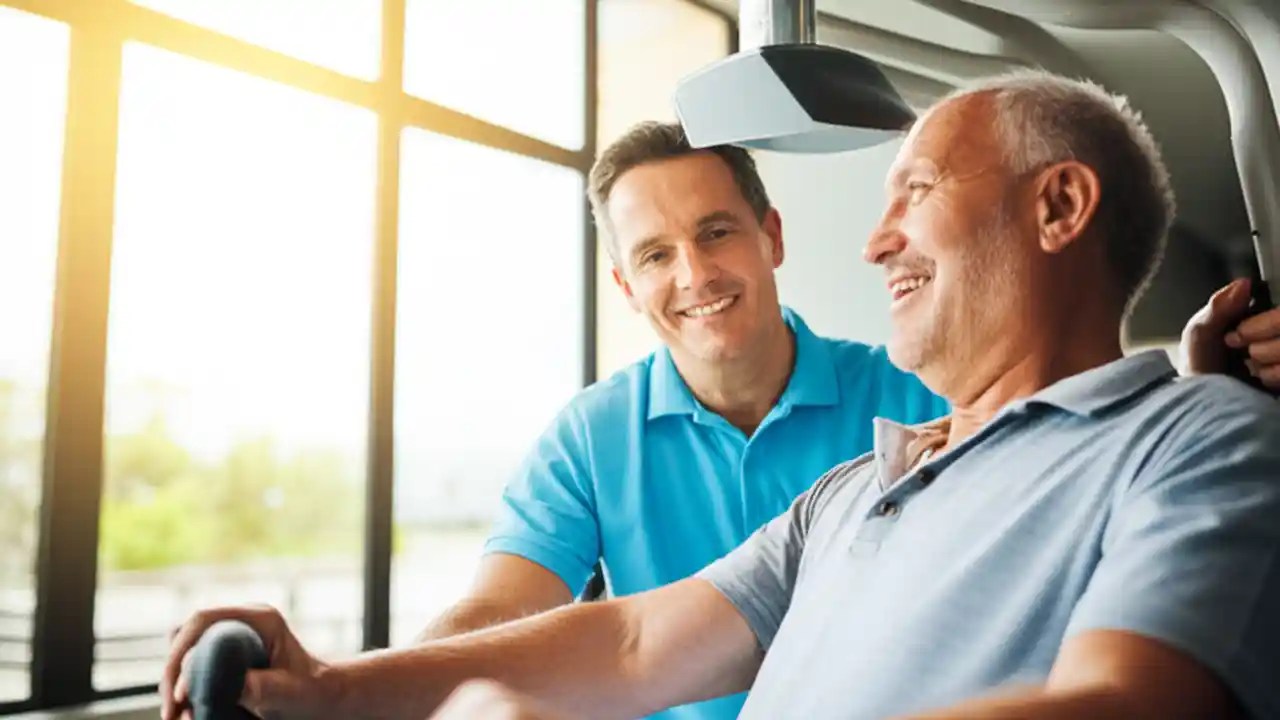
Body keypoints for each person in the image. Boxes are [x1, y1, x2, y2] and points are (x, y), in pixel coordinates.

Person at [161, 70, 1280, 720]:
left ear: (1057, 208)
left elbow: (1129, 710)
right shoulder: (855, 487)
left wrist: (1188, 384)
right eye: (651, 256)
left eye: (916, 191)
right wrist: (332, 689)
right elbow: (637, 639)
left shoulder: (1200, 439)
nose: (876, 236)